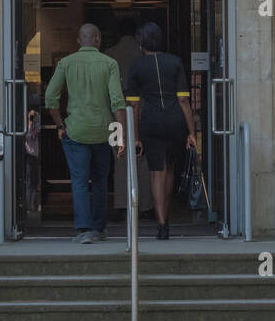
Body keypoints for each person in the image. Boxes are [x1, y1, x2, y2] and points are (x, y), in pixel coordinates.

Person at [45, 23, 126, 245]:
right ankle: (100, 228)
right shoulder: (110, 64)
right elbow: (117, 101)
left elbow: (50, 97)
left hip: (76, 129)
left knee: (79, 180)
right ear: (98, 39)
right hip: (103, 129)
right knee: (101, 180)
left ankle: (84, 230)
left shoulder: (66, 63)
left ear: (79, 41)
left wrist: (60, 124)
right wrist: (121, 134)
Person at [125, 21, 197, 240]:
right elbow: (184, 100)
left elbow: (134, 105)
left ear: (140, 43)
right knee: (170, 169)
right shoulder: (175, 62)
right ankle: (167, 217)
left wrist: (135, 137)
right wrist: (192, 132)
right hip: (175, 121)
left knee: (157, 172)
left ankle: (162, 224)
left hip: (152, 121)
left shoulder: (136, 66)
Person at [105, 15, 154, 217]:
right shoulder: (143, 55)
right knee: (142, 157)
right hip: (142, 108)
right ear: (136, 34)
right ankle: (145, 205)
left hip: (114, 110)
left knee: (119, 155)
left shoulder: (109, 55)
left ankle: (122, 204)